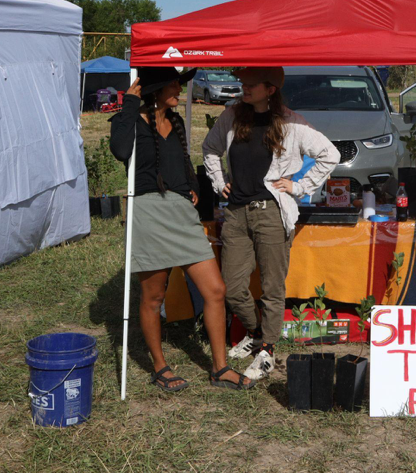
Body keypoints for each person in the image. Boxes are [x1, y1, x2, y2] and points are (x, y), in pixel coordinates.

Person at [202, 66, 339, 388]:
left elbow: (329, 154)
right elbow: (210, 148)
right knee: (232, 287)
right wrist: (218, 180)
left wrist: (300, 186)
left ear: (270, 89)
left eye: (251, 85)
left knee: (272, 286)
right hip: (235, 213)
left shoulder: (292, 123)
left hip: (271, 214)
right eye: (243, 83)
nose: (243, 89)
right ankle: (257, 334)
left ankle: (267, 350)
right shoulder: (233, 116)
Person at [110, 67, 244, 391]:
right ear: (154, 89)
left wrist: (190, 186)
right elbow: (119, 151)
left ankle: (220, 367)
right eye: (173, 84)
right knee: (154, 296)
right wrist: (130, 103)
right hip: (149, 213)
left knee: (215, 290)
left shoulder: (178, 122)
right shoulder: (131, 121)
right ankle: (160, 366)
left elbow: (181, 159)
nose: (179, 89)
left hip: (181, 214)